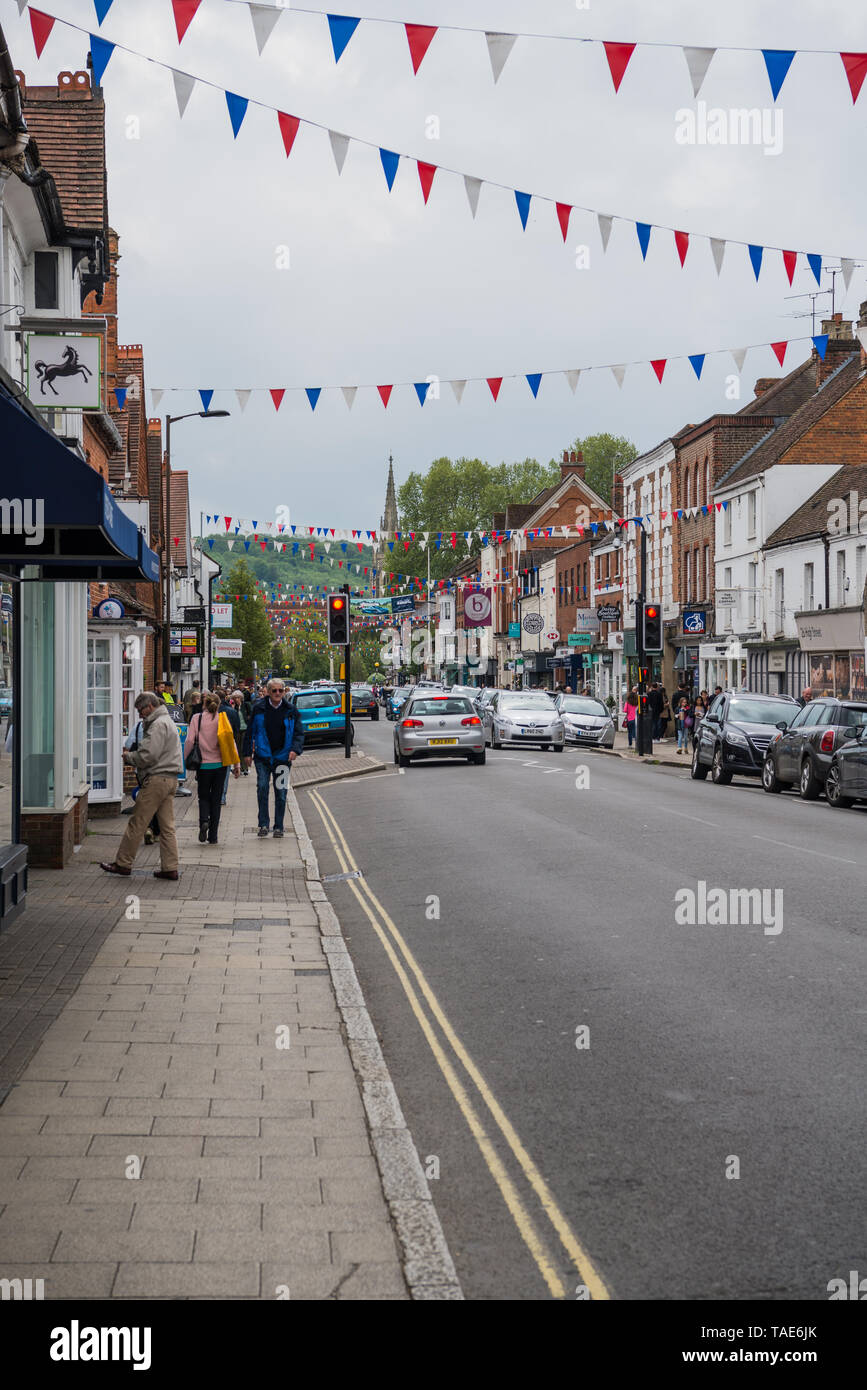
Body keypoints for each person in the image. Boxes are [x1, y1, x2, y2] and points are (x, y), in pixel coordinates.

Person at [100, 692, 182, 879]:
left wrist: (129, 757)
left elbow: (148, 755)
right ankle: (170, 867)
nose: (140, 715)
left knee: (137, 822)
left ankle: (123, 863)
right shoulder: (167, 721)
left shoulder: (158, 725)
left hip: (156, 780)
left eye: (140, 710)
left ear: (150, 706)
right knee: (167, 827)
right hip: (170, 779)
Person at [242, 678, 304, 838]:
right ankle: (263, 824)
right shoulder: (258, 708)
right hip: (263, 757)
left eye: (280, 691)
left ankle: (279, 826)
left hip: (283, 758)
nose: (277, 693)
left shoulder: (291, 710)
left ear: (284, 692)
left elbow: (299, 734)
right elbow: (249, 733)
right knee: (262, 788)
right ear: (268, 692)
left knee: (281, 793)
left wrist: (295, 750)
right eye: (274, 690)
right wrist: (247, 753)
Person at [186, 691, 240, 844]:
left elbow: (190, 741)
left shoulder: (198, 718)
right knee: (216, 800)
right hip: (220, 766)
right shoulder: (222, 719)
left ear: (204, 704)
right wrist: (236, 764)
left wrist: (184, 759)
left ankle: (204, 820)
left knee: (203, 796)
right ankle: (213, 836)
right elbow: (231, 742)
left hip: (203, 765)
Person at [217, 688, 242, 806]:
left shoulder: (210, 712)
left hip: (212, 747)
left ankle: (213, 796)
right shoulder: (231, 711)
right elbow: (237, 728)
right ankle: (222, 797)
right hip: (227, 744)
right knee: (225, 772)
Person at [232, 690, 249, 774]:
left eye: (238, 698)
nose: (237, 699)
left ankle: (245, 768)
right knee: (238, 749)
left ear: (241, 698)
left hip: (245, 729)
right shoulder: (233, 707)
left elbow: (250, 715)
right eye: (235, 698)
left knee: (243, 749)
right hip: (237, 730)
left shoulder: (245, 705)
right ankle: (239, 767)